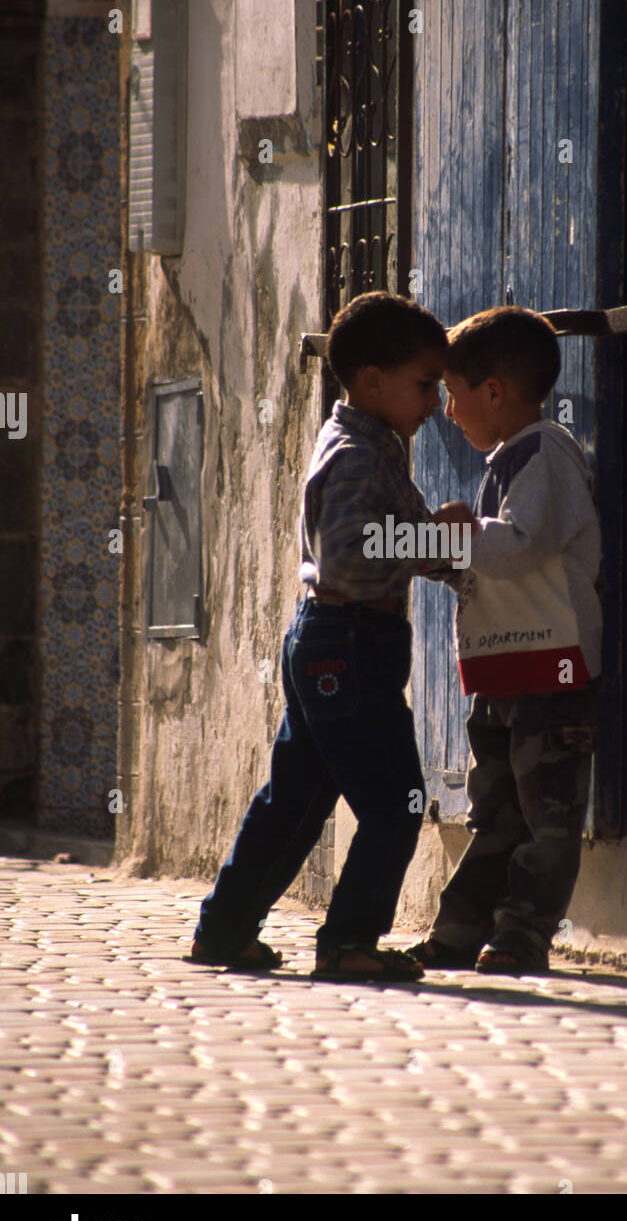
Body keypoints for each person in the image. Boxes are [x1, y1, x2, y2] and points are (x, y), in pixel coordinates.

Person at [189, 292, 474, 982]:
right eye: (424, 384)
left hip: (330, 642)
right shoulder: (355, 453)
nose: (435, 400)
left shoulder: (369, 441)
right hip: (345, 644)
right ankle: (349, 942)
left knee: (294, 799)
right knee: (396, 799)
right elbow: (350, 556)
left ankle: (224, 931)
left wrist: (437, 545)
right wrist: (431, 539)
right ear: (371, 381)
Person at [408, 306, 603, 975]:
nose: (447, 411)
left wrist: (463, 536)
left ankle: (523, 933)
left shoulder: (546, 453)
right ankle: (461, 931)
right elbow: (493, 563)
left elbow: (520, 545)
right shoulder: (507, 460)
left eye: (455, 396)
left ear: (494, 392)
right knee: (495, 813)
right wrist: (442, 555)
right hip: (501, 669)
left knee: (546, 813)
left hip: (551, 669)